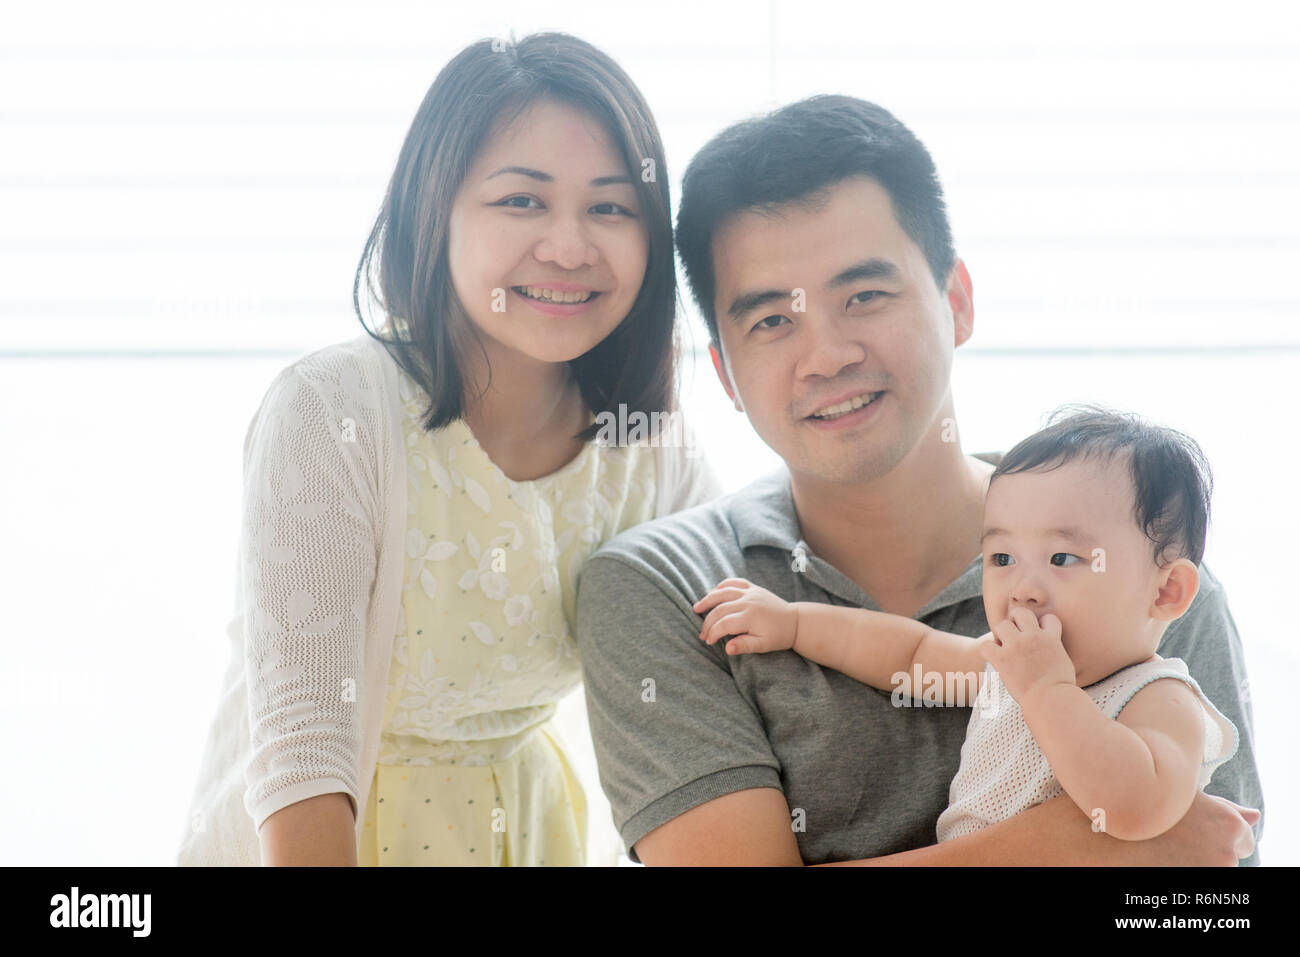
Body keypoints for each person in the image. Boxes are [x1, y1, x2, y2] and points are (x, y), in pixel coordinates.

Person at [574, 95, 1263, 865]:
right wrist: (1065, 845)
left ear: (957, 301)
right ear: (727, 377)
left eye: (865, 295)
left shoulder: (1133, 573)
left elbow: (1205, 905)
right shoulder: (670, 588)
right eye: (771, 320)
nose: (827, 355)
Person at [176, 32, 720, 867]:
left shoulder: (650, 446)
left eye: (612, 207)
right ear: (436, 211)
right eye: (522, 202)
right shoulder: (333, 411)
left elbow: (718, 687)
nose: (571, 246)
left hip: (526, 832)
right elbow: (302, 752)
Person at [694, 406, 1240, 844]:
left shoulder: (1160, 698)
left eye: (1062, 559)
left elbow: (1133, 810)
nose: (1021, 588)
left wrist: (1048, 692)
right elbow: (908, 654)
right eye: (1002, 559)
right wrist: (792, 623)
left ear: (1167, 591)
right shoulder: (1002, 667)